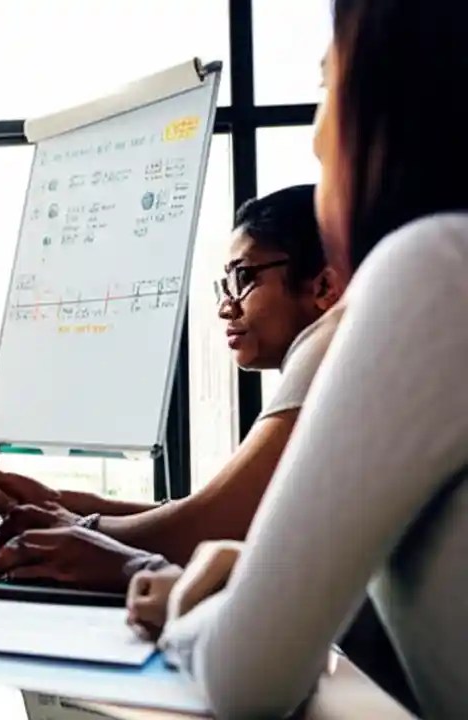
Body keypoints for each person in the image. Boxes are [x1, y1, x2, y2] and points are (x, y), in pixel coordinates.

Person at [130, 1, 468, 716]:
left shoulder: (437, 268)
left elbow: (246, 679)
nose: (316, 139)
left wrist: (196, 606)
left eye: (327, 87)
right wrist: (251, 577)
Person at [0, 184, 344, 591]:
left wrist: (83, 526)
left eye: (244, 277)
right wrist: (70, 503)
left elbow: (207, 527)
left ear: (325, 287)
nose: (227, 306)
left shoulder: (332, 349)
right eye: (226, 285)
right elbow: (226, 511)